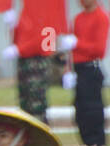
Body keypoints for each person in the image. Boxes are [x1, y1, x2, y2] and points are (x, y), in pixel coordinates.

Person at [9, 0, 65, 137]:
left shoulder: (44, 6)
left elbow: (45, 39)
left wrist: (20, 49)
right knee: (25, 104)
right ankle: (31, 143)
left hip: (37, 61)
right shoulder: (27, 7)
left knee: (36, 105)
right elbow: (19, 37)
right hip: (25, 61)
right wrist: (13, 26)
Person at [64, 0, 109, 146]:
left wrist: (77, 44)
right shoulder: (78, 19)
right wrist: (67, 70)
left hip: (91, 70)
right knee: (81, 116)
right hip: (79, 71)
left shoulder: (101, 17)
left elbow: (99, 50)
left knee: (92, 116)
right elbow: (71, 50)